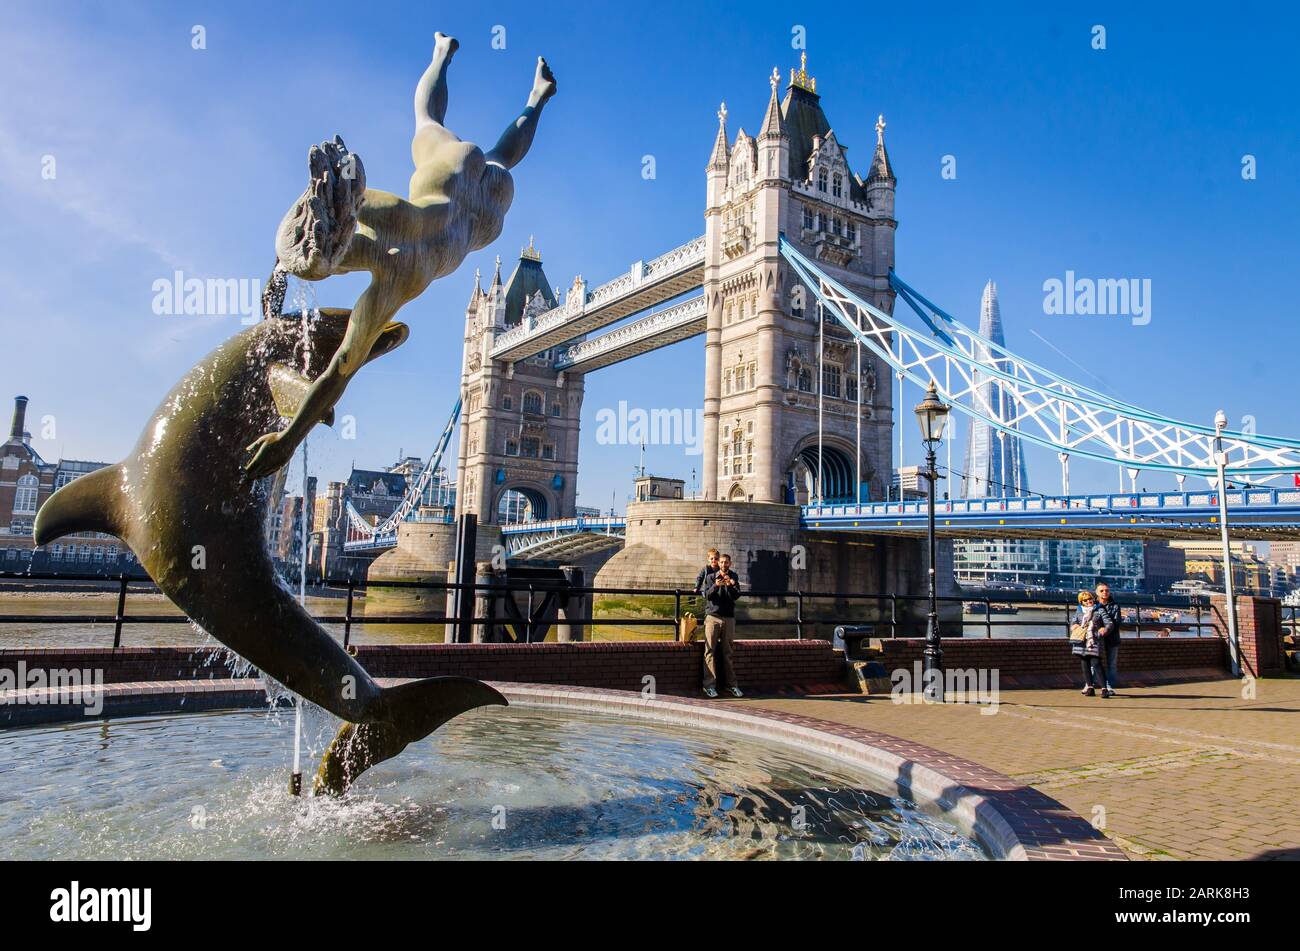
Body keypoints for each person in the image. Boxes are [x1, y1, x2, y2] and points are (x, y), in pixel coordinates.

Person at [246, 33, 558, 477]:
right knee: (429, 119)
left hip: (488, 210)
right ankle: (453, 59)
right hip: (456, 182)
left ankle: (527, 94)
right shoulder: (382, 213)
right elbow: (331, 211)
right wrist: (281, 267)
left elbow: (338, 373)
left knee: (486, 148)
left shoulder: (395, 286)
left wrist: (287, 439)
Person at [701, 553, 743, 699]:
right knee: (710, 651)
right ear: (718, 563)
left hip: (729, 618)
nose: (724, 565)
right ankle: (709, 686)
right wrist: (715, 585)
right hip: (713, 617)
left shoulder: (734, 577)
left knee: (728, 652)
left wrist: (731, 584)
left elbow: (737, 595)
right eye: (722, 562)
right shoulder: (710, 577)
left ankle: (732, 685)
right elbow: (706, 595)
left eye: (727, 563)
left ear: (730, 564)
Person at [1072, 590, 1105, 696]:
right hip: (1082, 640)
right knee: (1085, 664)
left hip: (1094, 639)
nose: (1088, 601)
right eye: (1085, 600)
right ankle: (1090, 687)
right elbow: (1073, 623)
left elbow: (1108, 622)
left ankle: (1104, 688)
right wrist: (1074, 626)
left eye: (1090, 599)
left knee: (1096, 663)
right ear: (1081, 602)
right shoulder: (1079, 612)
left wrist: (1103, 629)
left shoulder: (1099, 609)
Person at [1094, 582, 1122, 697]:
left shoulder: (1115, 606)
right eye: (1102, 591)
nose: (1105, 592)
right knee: (1094, 662)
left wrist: (1105, 630)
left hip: (1112, 638)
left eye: (1106, 590)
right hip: (1096, 638)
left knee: (1112, 664)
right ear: (1096, 592)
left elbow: (1116, 623)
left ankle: (1109, 686)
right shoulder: (1092, 604)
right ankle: (1092, 684)